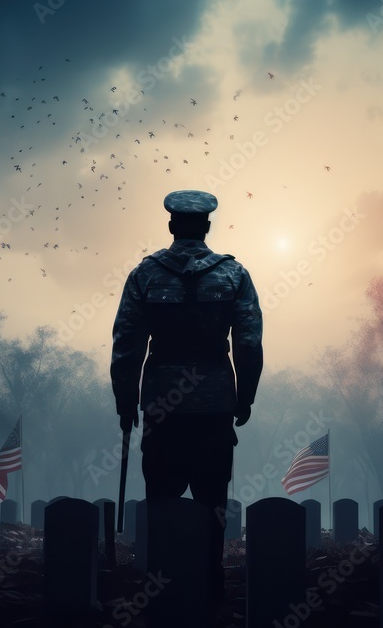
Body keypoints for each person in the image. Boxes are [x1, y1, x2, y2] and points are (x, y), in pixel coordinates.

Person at [110, 189, 263, 608]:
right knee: (213, 505)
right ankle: (210, 591)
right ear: (207, 227)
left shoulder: (145, 275)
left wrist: (126, 400)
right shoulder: (234, 275)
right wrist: (244, 396)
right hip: (214, 406)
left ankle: (163, 592)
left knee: (161, 502)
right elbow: (249, 342)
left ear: (172, 226)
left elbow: (127, 343)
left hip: (162, 404)